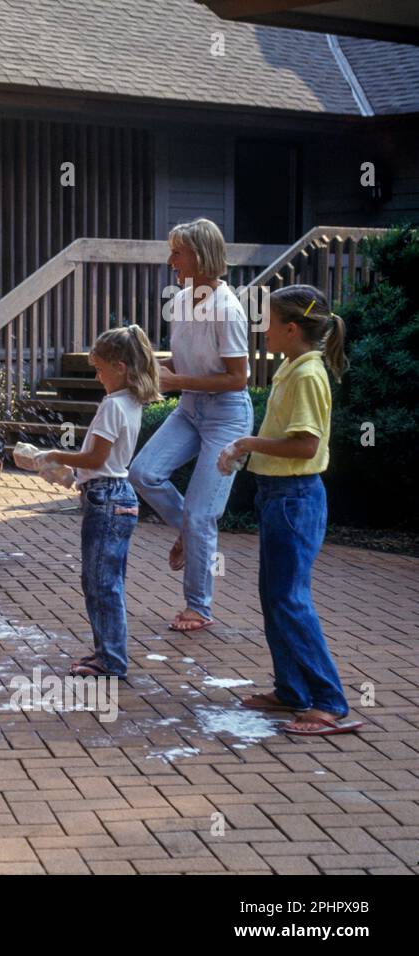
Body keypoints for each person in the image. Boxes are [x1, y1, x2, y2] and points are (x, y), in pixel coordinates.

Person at [222, 285, 362, 736]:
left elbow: (306, 446)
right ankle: (291, 691)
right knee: (276, 597)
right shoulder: (293, 367)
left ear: (290, 328)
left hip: (294, 498)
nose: (260, 329)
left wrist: (247, 443)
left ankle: (328, 701)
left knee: (290, 600)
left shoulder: (306, 375)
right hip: (279, 497)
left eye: (266, 322)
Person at [128, 218, 252, 632]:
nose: (170, 261)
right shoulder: (182, 299)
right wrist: (148, 368)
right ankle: (188, 530)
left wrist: (178, 381)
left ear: (200, 256)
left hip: (227, 415)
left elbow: (238, 378)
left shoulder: (228, 309)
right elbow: (183, 361)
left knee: (202, 517)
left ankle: (198, 606)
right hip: (191, 409)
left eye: (177, 252)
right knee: (143, 473)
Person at [35, 325, 161, 679]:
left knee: (100, 582)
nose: (97, 375)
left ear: (120, 366)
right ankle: (107, 652)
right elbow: (102, 462)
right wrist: (71, 476)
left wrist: (56, 455)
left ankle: (111, 660)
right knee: (106, 580)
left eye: (100, 368)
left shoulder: (112, 406)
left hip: (106, 498)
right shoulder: (131, 401)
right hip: (116, 495)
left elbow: (95, 459)